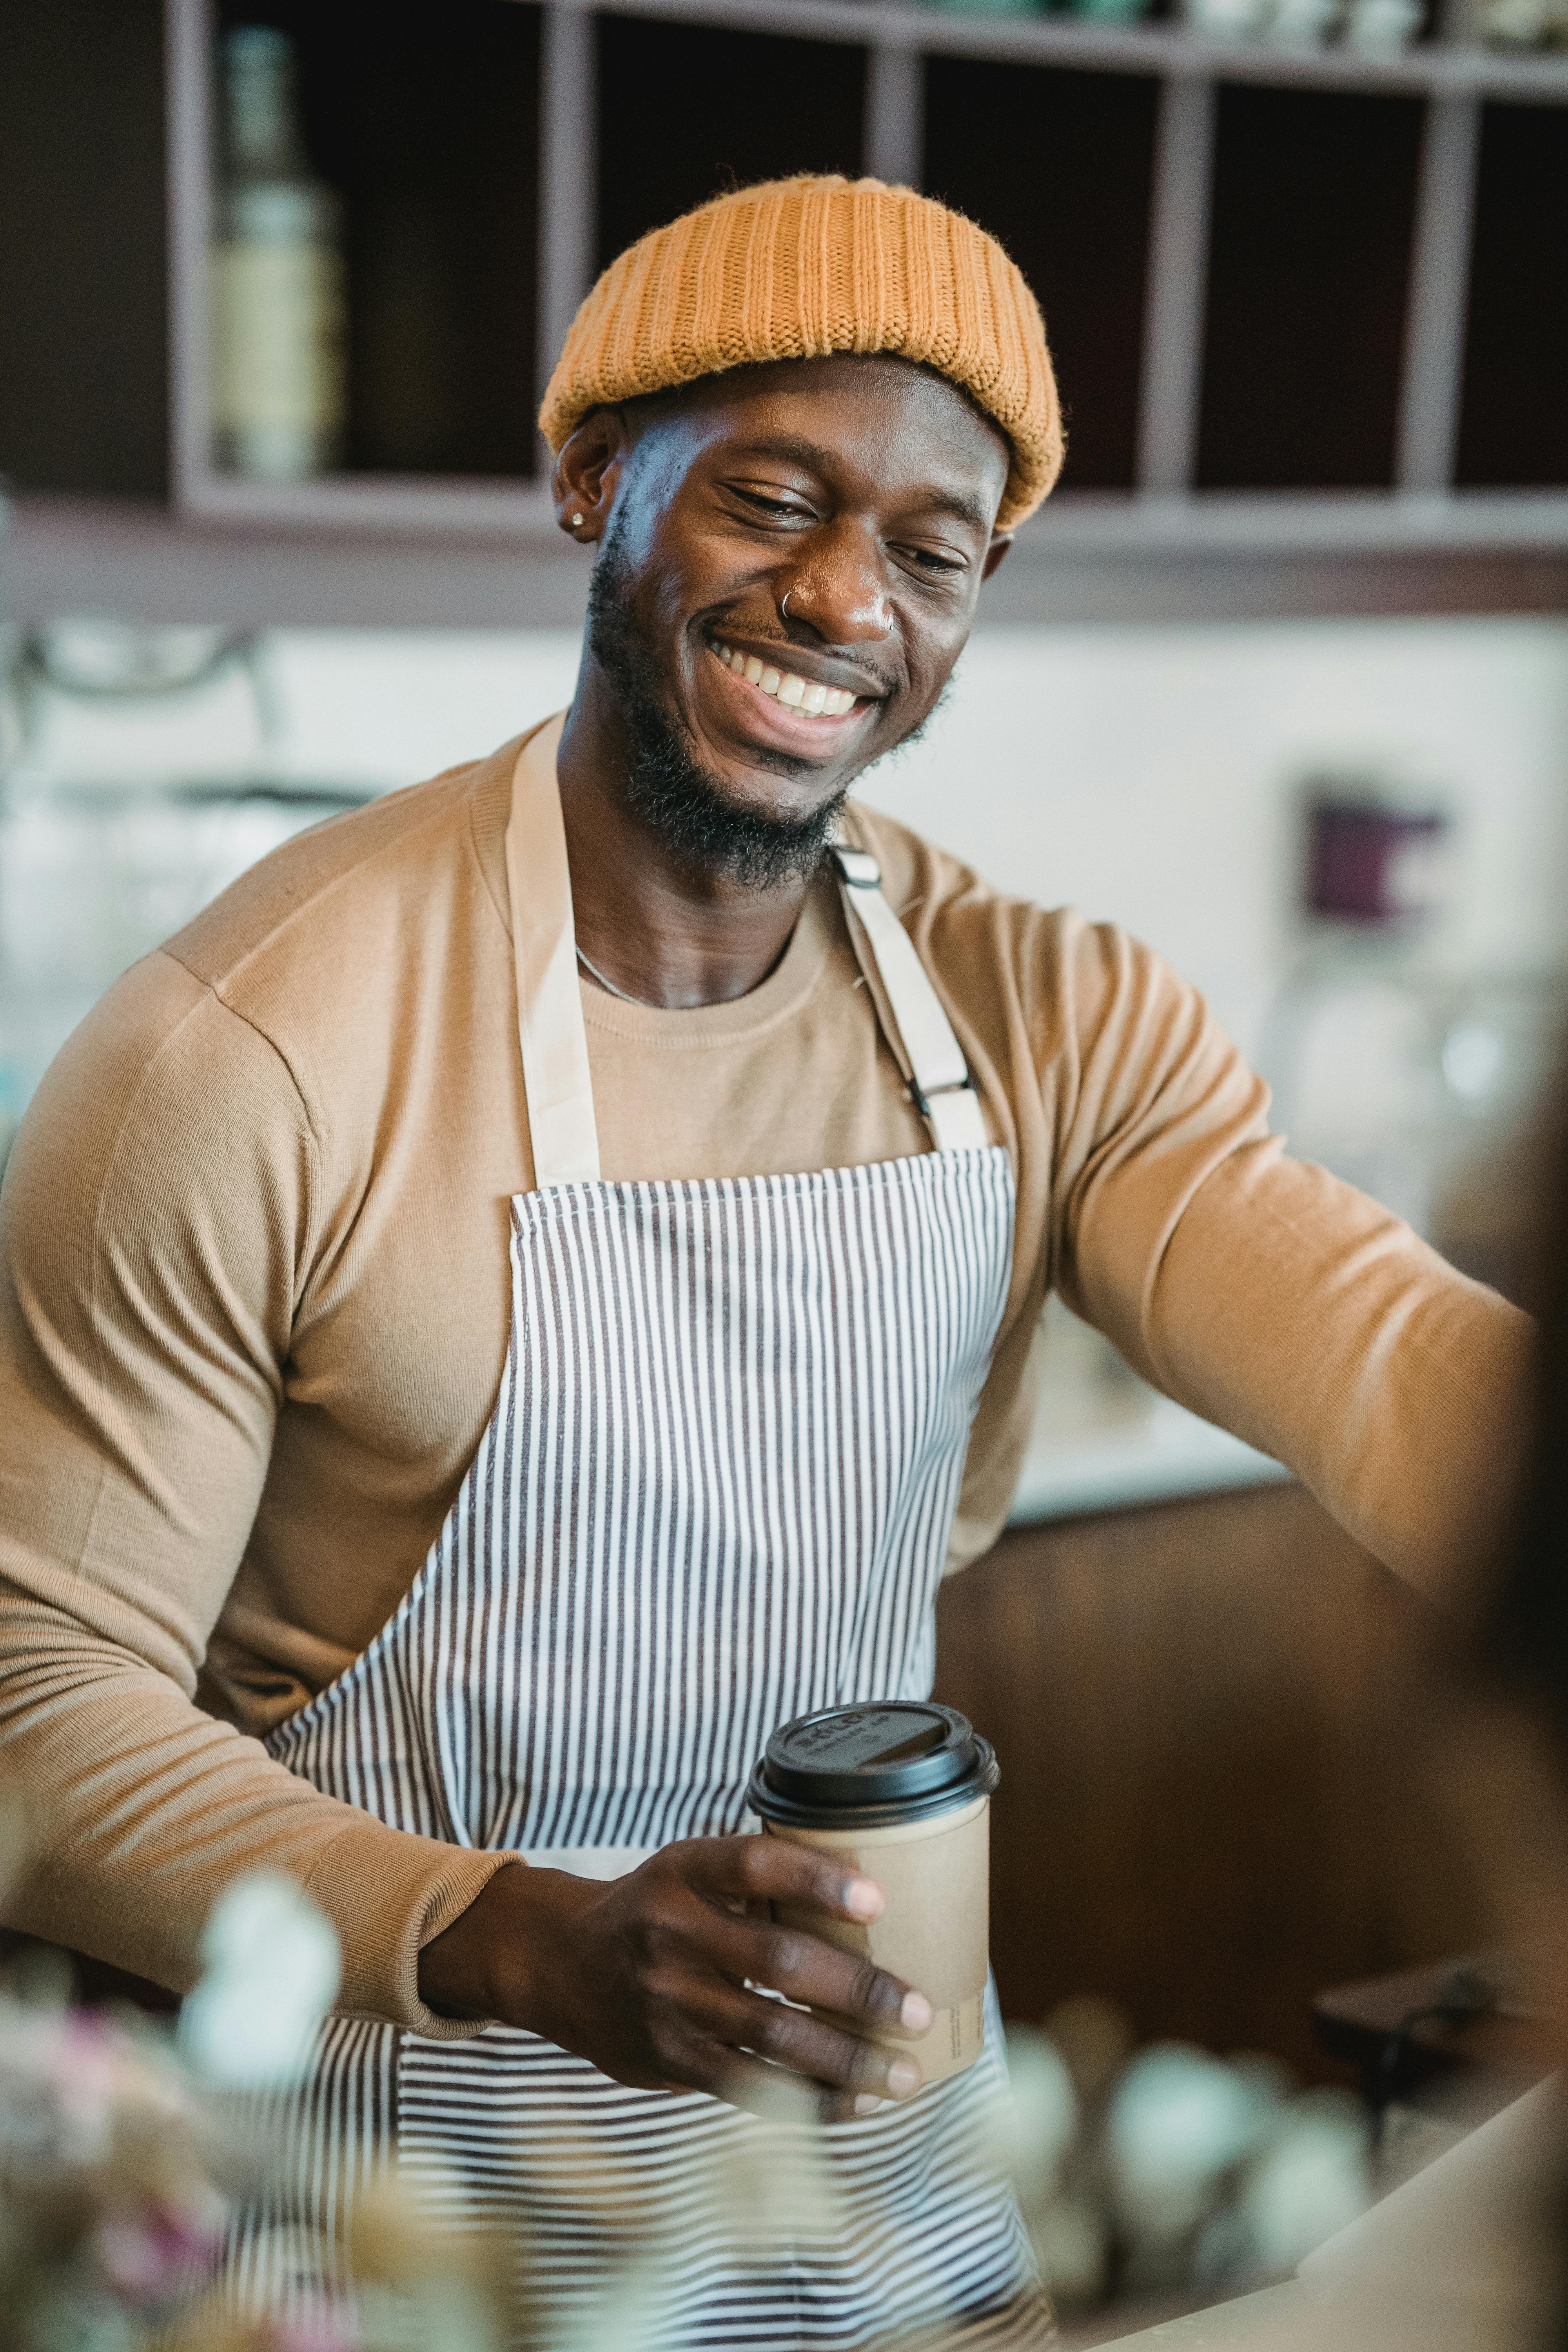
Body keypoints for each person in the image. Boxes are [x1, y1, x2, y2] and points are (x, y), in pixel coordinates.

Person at [0, 174, 1533, 2345]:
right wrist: (516, 1934)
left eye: (928, 549)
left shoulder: (1044, 1020)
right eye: (772, 496)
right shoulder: (246, 1056)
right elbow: (34, 1714)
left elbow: (1388, 1363)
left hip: (892, 2213)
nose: (841, 600)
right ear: (592, 479)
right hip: (416, 2230)